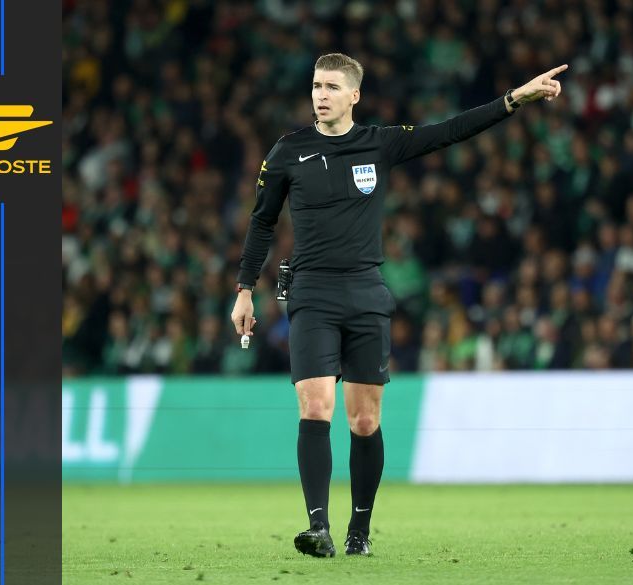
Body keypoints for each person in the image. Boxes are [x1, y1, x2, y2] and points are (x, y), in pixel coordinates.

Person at [231, 53, 567, 557]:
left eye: (331, 87)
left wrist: (516, 97)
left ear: (353, 95)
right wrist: (244, 289)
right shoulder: (287, 151)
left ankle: (358, 531)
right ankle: (318, 526)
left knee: (364, 422)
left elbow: (452, 130)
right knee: (315, 405)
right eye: (316, 86)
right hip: (312, 293)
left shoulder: (380, 143)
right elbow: (262, 223)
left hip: (366, 292)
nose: (320, 95)